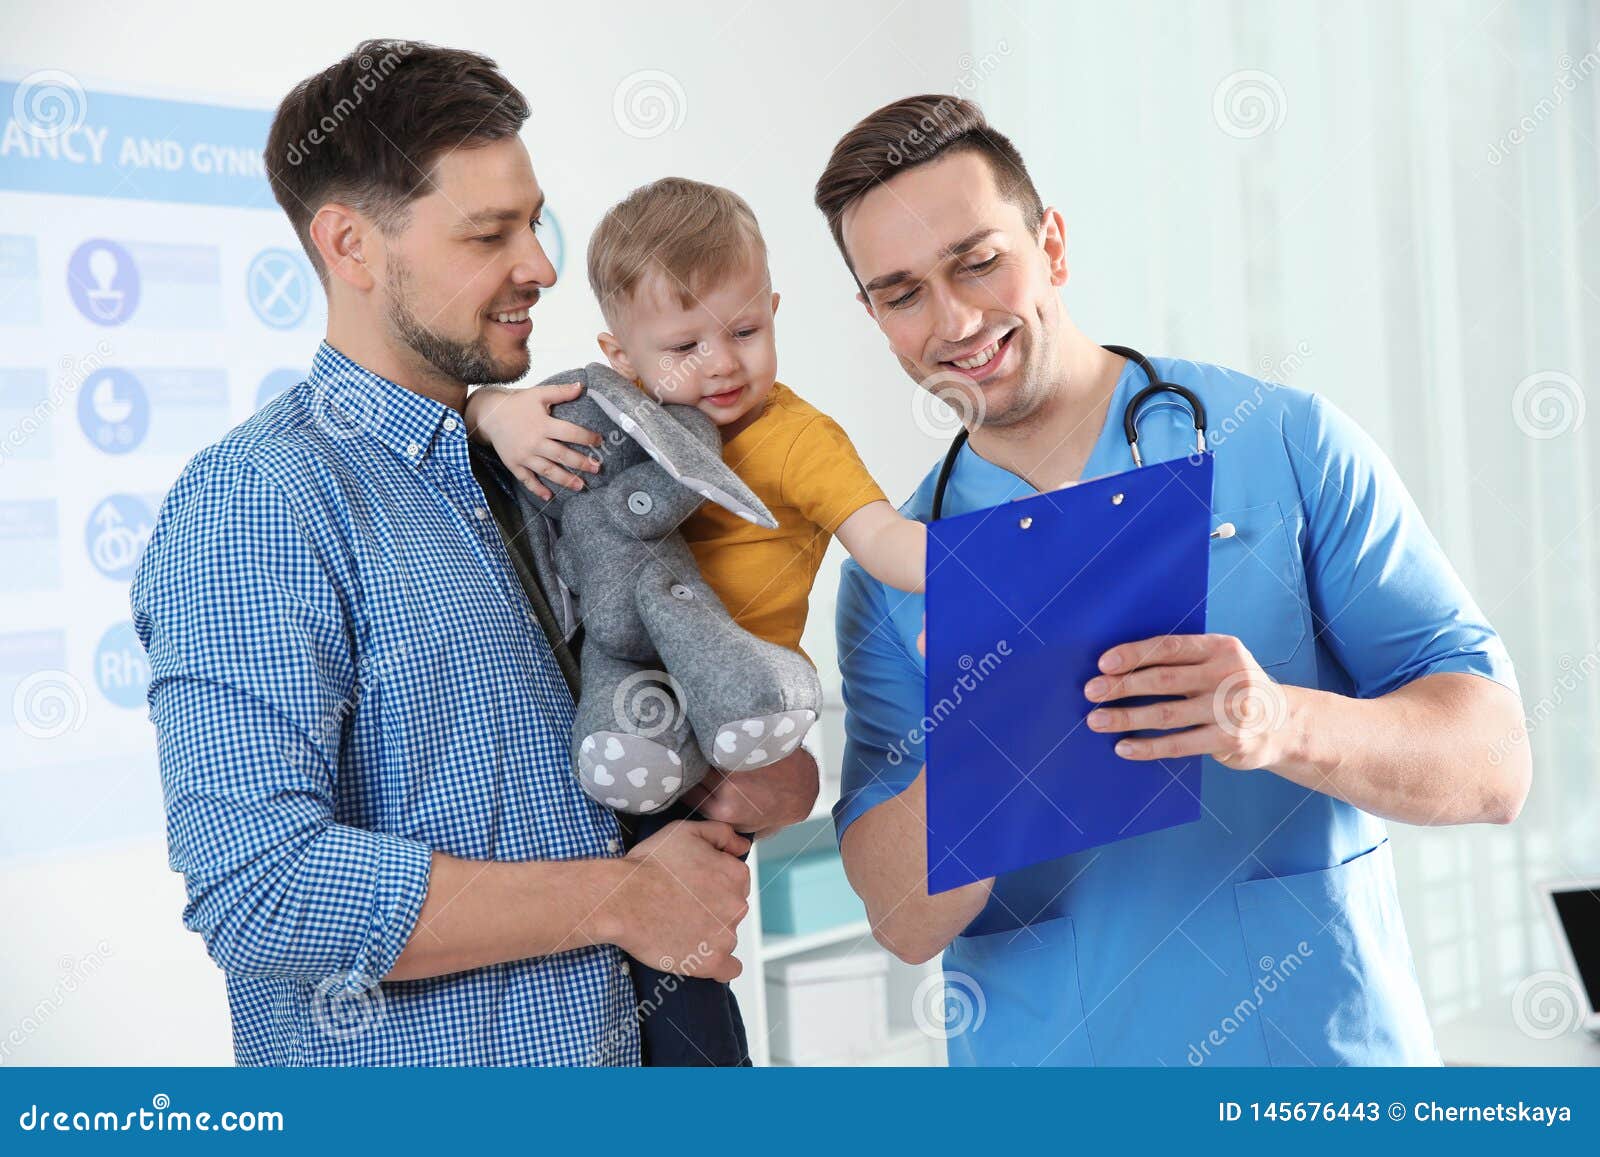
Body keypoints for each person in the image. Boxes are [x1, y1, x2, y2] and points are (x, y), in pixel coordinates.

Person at [129, 40, 813, 1067]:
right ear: (351, 245)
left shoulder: (564, 459)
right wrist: (620, 899)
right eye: (490, 233)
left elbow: (651, 742)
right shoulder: (260, 503)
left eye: (533, 221)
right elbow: (258, 885)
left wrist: (754, 780)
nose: (539, 264)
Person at [813, 95, 1531, 1066]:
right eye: (900, 293)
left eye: (978, 260)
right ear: (873, 317)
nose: (954, 320)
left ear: (1052, 245)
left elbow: (1493, 763)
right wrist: (983, 753)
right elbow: (902, 920)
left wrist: (1281, 724)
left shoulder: (1279, 444)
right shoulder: (897, 569)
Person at [466, 176, 928, 1063]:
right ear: (621, 354)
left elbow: (886, 543)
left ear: (776, 310)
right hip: (624, 717)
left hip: (733, 729)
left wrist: (1004, 572)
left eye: (747, 331)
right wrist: (493, 410)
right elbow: (479, 415)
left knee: (687, 1000)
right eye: (685, 344)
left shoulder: (798, 441)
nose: (722, 363)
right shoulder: (614, 420)